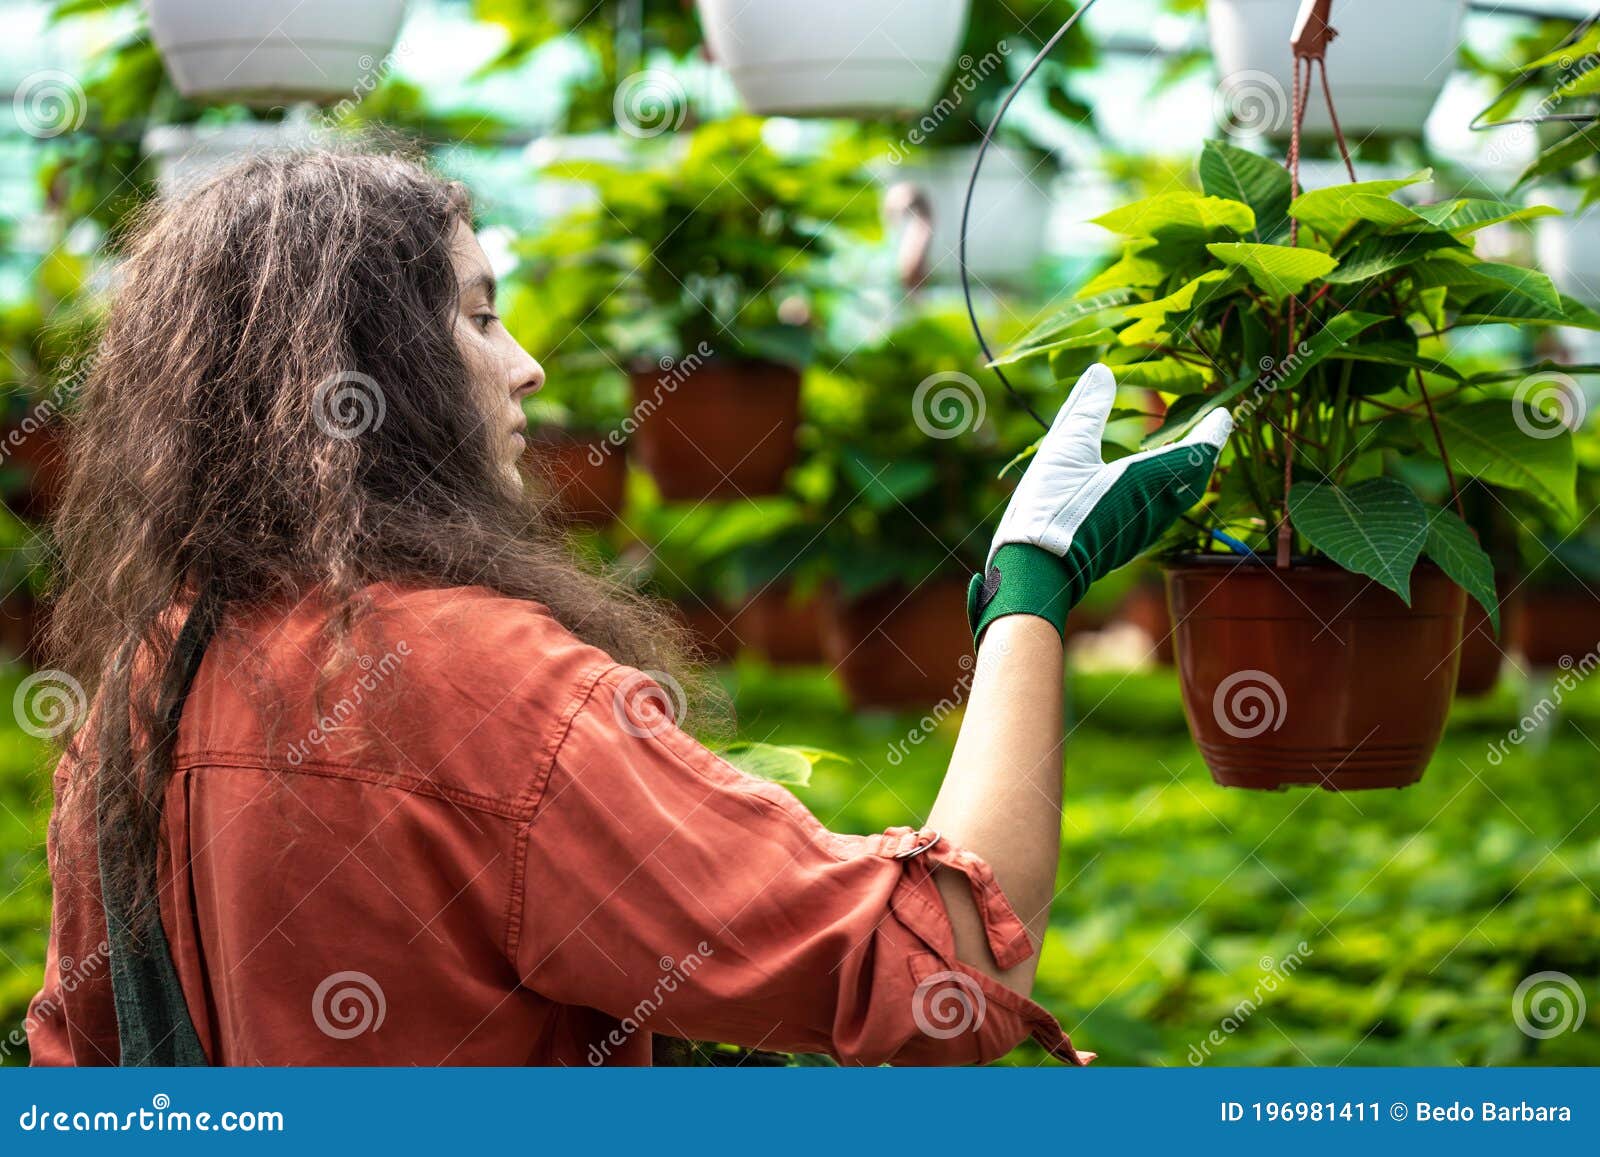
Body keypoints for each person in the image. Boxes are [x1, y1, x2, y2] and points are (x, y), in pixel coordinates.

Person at [26, 151, 1230, 1067]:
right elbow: (936, 967)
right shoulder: (480, 686)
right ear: (370, 370)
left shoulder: (148, 676)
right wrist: (1031, 581)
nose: (528, 364)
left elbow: (75, 1051)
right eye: (482, 314)